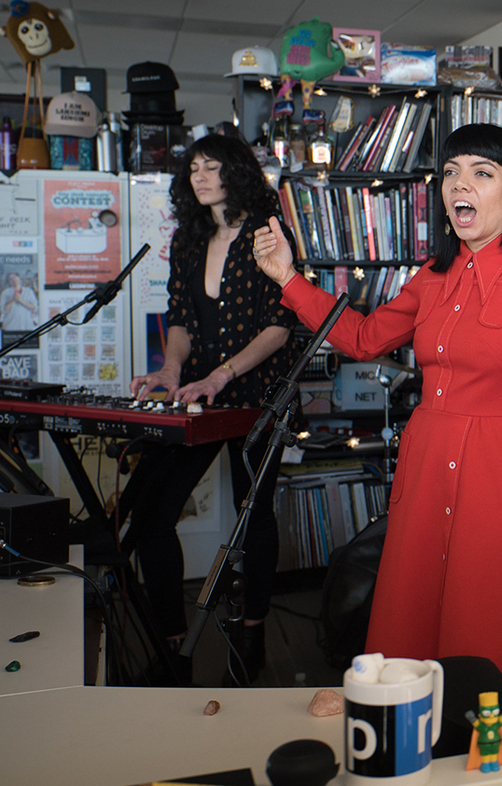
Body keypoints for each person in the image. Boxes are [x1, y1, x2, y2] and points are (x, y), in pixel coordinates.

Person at [253, 123, 502, 680]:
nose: (460, 184)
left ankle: (478, 726)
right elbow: (363, 338)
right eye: (452, 173)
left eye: (482, 173)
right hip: (426, 462)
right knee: (409, 611)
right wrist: (289, 279)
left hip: (495, 467)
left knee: (482, 618)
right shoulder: (434, 276)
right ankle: (405, 720)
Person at [124, 134, 300, 686]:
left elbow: (280, 325)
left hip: (257, 395)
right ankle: (172, 647)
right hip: (198, 394)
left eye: (210, 167)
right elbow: (180, 316)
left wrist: (222, 374)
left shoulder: (269, 232)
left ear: (236, 172)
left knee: (254, 516)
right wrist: (172, 370)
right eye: (192, 169)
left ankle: (252, 637)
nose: (198, 177)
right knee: (152, 517)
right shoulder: (189, 237)